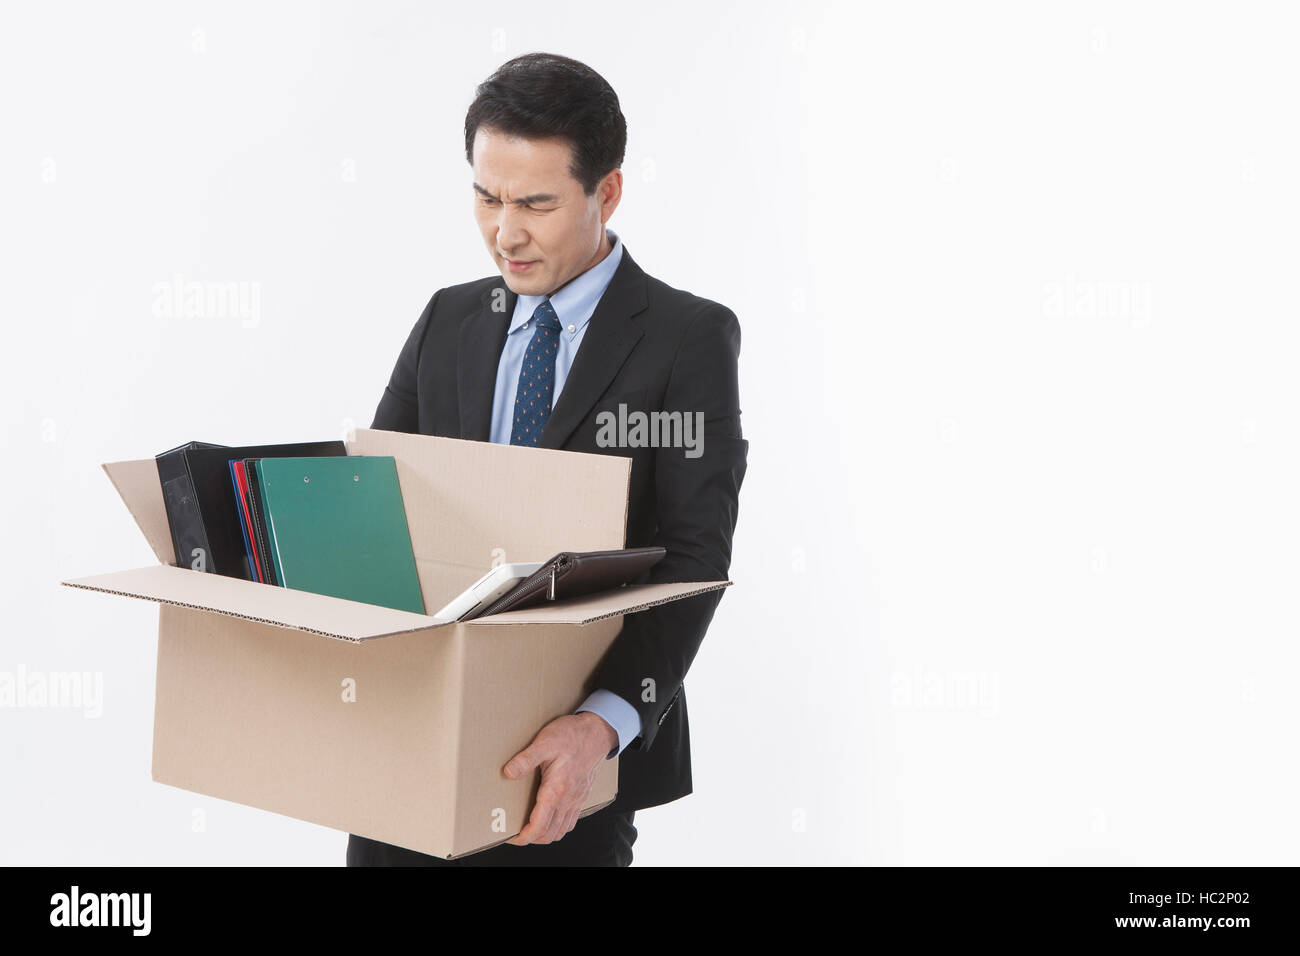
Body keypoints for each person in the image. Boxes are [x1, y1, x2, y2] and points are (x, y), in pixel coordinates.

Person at [347, 52, 748, 866]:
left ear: (608, 192)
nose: (506, 231)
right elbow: (379, 502)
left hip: (570, 765)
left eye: (536, 203)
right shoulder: (448, 320)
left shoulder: (686, 340)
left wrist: (602, 724)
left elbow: (696, 556)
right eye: (486, 197)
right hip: (414, 743)